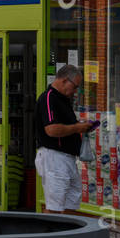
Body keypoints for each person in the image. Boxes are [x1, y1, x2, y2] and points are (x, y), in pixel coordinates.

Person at [35, 64, 96, 214]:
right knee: (55, 205)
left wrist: (79, 127)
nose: (75, 91)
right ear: (63, 80)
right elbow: (51, 129)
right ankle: (50, 236)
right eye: (75, 87)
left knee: (72, 202)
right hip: (55, 157)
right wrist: (77, 128)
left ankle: (68, 234)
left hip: (68, 158)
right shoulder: (48, 98)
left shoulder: (63, 99)